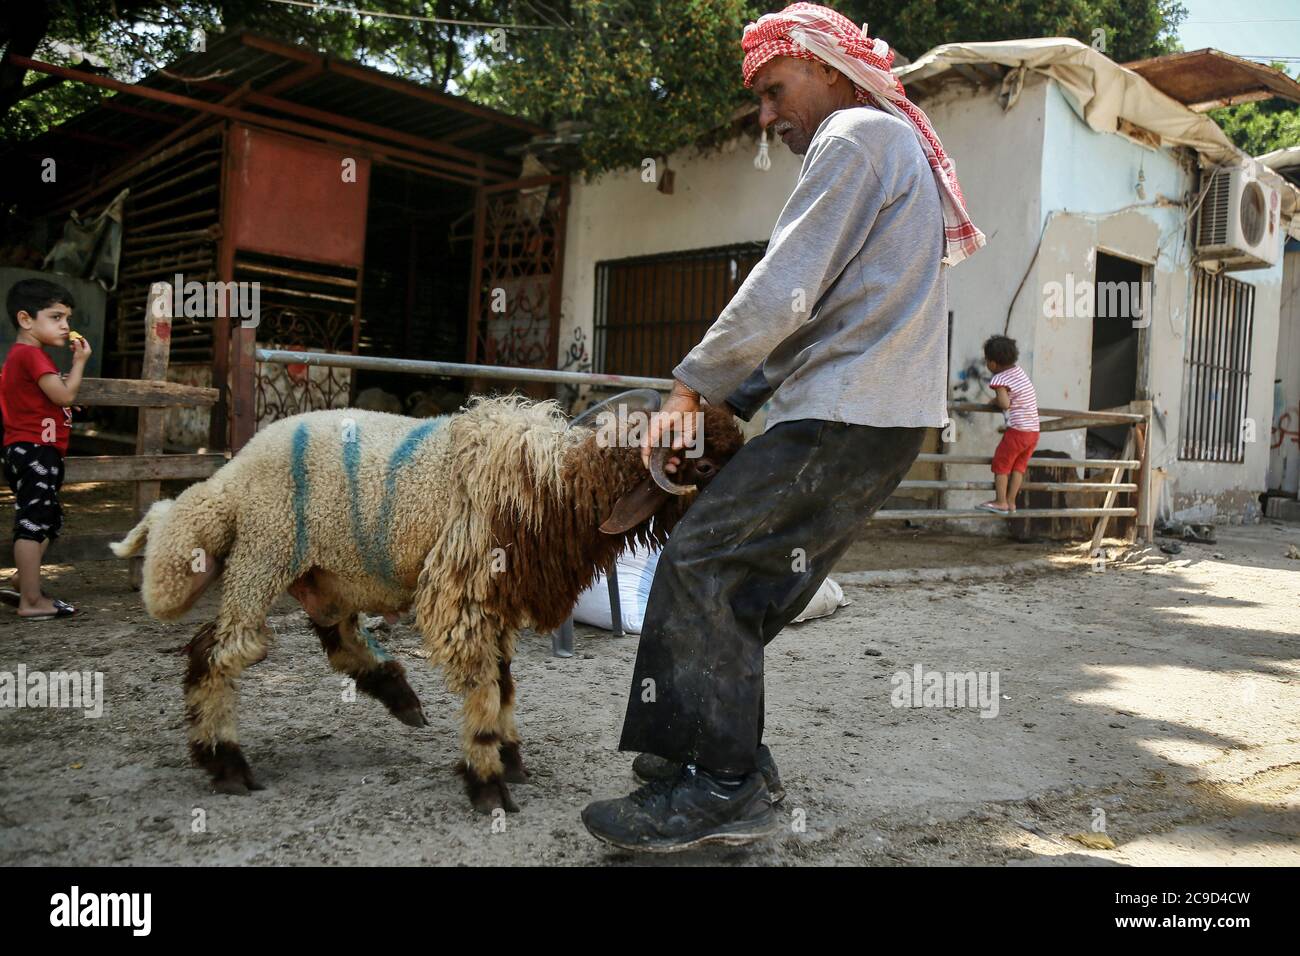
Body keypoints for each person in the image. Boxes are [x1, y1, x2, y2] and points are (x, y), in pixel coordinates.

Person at [581, 2, 984, 852]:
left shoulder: (857, 138)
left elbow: (782, 285)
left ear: (826, 65)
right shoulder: (884, 144)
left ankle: (720, 786)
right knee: (748, 582)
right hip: (870, 413)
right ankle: (716, 758)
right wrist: (736, 396)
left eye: (772, 91)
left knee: (705, 562)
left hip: (849, 407)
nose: (767, 118)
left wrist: (692, 387)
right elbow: (818, 311)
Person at [1, 278, 89, 619]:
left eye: (66, 317)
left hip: (37, 451)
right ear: (26, 320)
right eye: (55, 316)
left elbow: (50, 400)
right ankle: (32, 601)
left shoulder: (21, 358)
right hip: (35, 450)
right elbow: (64, 394)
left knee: (49, 519)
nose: (65, 325)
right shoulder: (31, 356)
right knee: (34, 521)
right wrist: (79, 363)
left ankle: (23, 581)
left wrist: (63, 406)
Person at [978, 335, 1039, 514]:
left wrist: (994, 401)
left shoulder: (999, 380)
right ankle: (1011, 502)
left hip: (1018, 431)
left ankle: (1000, 501)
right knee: (1018, 467)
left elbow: (1004, 403)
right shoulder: (1019, 373)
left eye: (987, 360)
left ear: (993, 364)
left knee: (1001, 464)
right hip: (1033, 432)